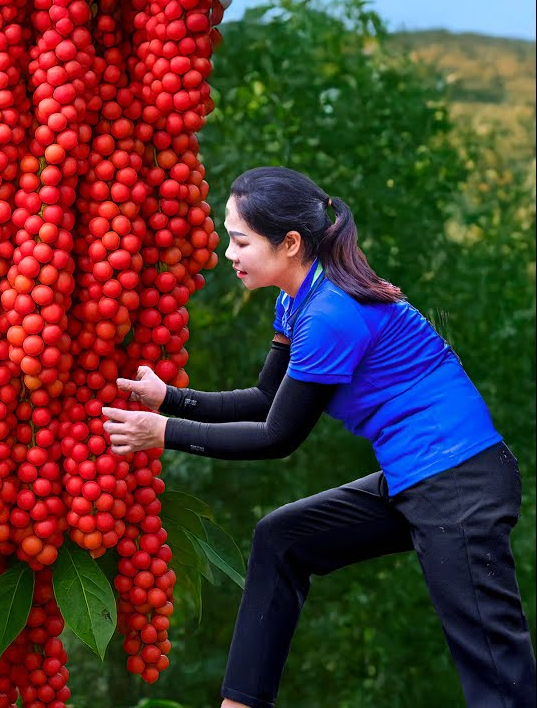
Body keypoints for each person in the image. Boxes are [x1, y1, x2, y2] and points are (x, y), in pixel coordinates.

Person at [99, 166, 537, 708]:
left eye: (239, 241)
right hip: (416, 477)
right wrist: (170, 399)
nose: (227, 254)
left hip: (459, 482)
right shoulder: (299, 299)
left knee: (497, 675)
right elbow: (266, 399)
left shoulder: (331, 313)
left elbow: (278, 436)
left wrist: (164, 433)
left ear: (289, 243)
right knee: (283, 539)